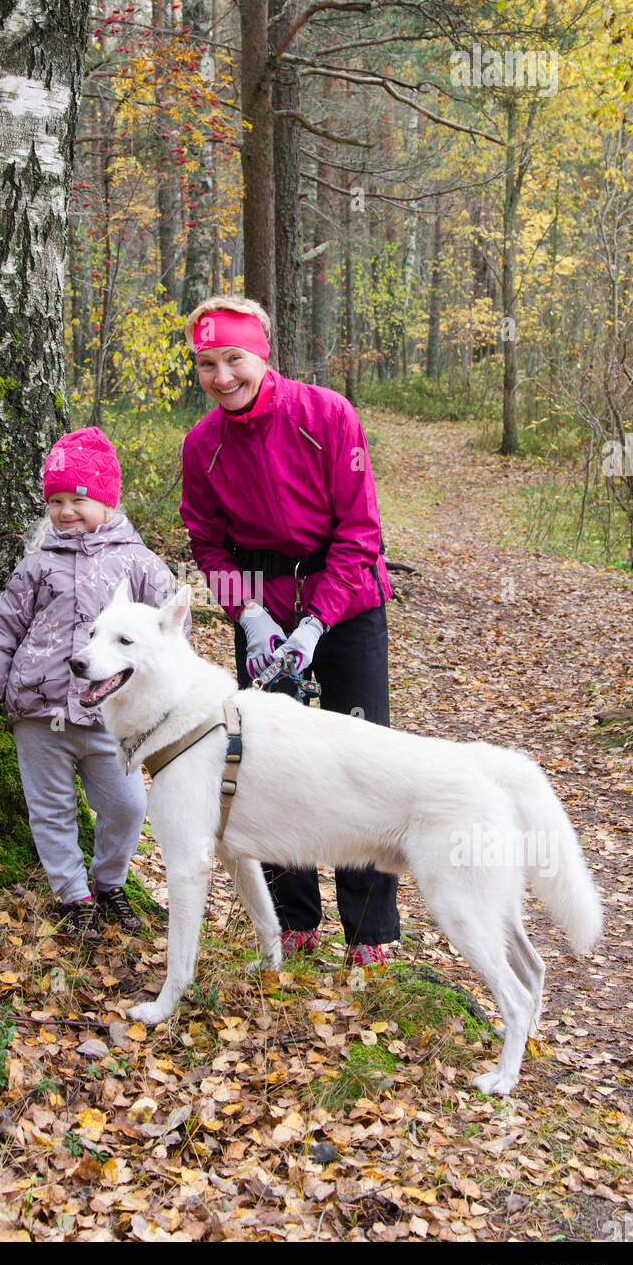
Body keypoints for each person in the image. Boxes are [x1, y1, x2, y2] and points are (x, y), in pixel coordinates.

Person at [179, 296, 399, 966]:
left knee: (361, 760)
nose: (222, 376)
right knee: (270, 769)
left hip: (346, 605)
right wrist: (250, 617)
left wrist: (315, 624)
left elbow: (359, 532)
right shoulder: (203, 445)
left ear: (262, 352)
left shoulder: (326, 415)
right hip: (265, 619)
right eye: (207, 363)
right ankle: (294, 921)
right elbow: (207, 542)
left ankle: (371, 931)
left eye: (233, 359)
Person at [0, 427, 186, 944]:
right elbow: (2, 627)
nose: (67, 511)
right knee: (52, 809)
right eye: (57, 501)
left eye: (80, 499)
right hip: (39, 710)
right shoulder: (38, 564)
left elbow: (169, 629)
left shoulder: (140, 564)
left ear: (107, 502)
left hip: (111, 715)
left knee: (128, 805)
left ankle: (109, 883)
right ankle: (73, 896)